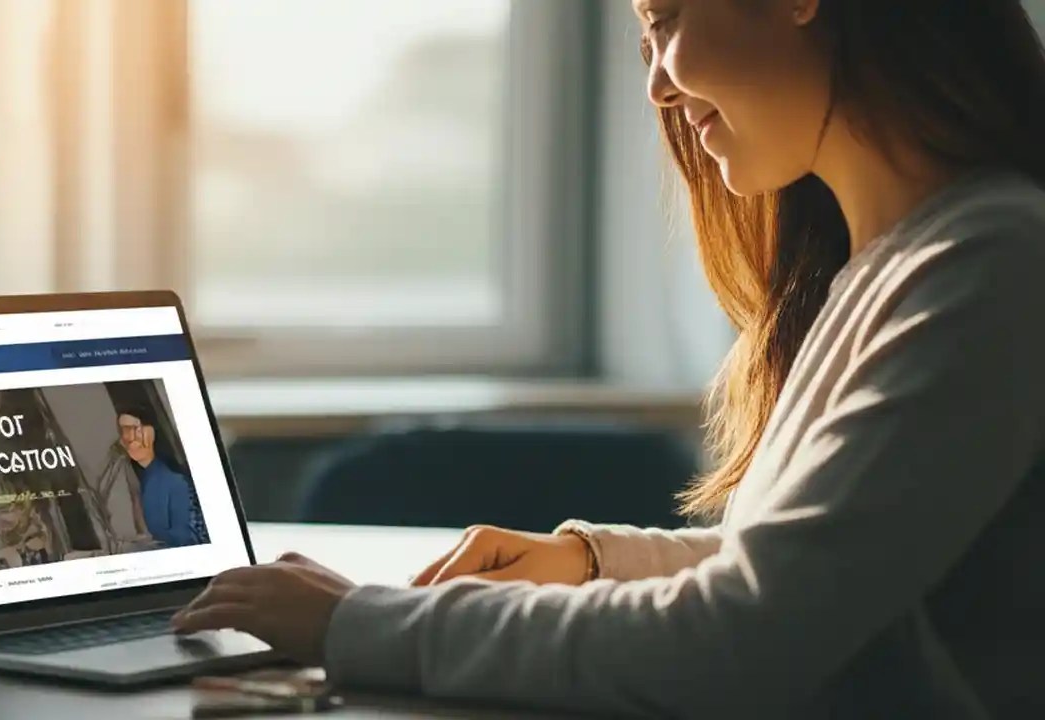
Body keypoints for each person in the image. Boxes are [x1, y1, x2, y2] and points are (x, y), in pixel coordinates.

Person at [170, 1, 1045, 716]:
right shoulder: (899, 267)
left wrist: (359, 624)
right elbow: (817, 574)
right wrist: (592, 562)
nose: (659, 84)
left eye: (663, 20)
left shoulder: (990, 264)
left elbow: (745, 639)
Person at [117, 407, 209, 548]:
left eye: (134, 429)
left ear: (151, 432)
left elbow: (188, 539)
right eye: (123, 431)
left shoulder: (175, 480)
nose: (128, 438)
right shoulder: (132, 477)